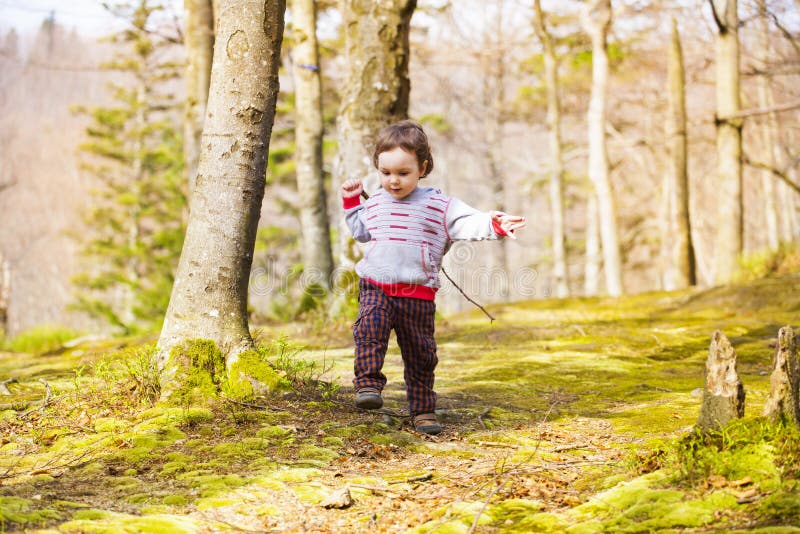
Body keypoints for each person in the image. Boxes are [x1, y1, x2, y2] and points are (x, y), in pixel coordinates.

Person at [341, 120, 526, 435]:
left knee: (421, 355)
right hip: (376, 286)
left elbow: (468, 222)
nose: (394, 181)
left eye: (403, 173)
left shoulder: (438, 205)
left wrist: (494, 225)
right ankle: (368, 386)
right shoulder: (375, 204)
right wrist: (350, 201)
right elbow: (360, 232)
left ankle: (423, 411)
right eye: (385, 173)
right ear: (377, 169)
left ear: (422, 168)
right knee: (369, 332)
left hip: (418, 294)